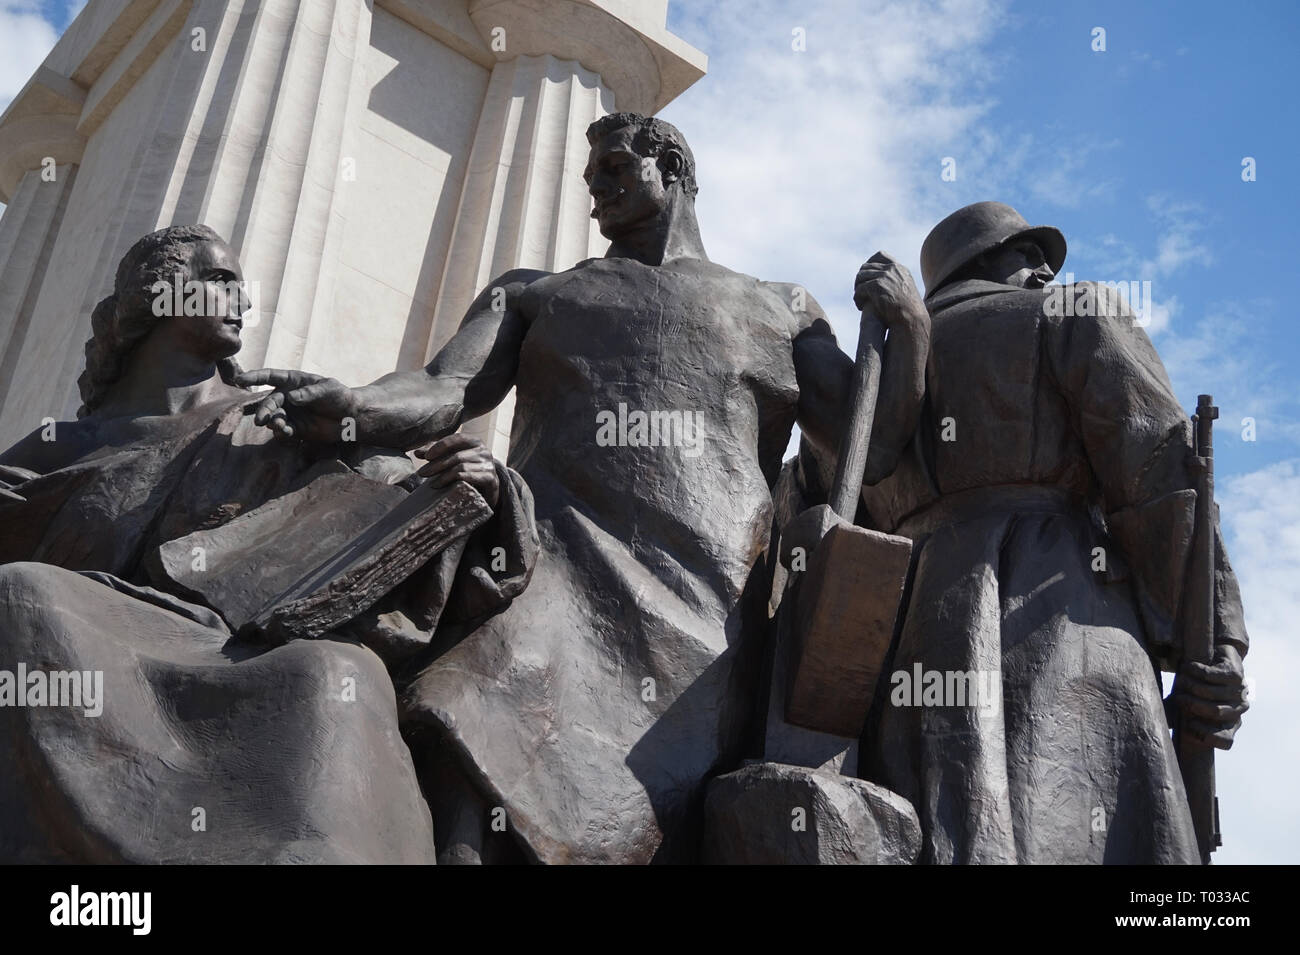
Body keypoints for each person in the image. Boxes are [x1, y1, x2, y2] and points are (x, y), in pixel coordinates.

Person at [236, 112, 932, 863]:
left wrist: (913, 326)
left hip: (705, 608)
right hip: (550, 564)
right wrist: (354, 406)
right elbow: (444, 390)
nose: (595, 190)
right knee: (472, 694)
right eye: (590, 177)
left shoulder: (780, 308)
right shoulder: (535, 297)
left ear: (672, 168)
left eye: (615, 170)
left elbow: (880, 443)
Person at [0, 225, 533, 863]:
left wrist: (472, 483)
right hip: (100, 632)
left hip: (236, 645)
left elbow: (381, 494)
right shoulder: (61, 444)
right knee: (26, 594)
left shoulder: (274, 421)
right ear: (160, 293)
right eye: (221, 280)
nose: (243, 300)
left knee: (333, 671)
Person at [822, 200, 1247, 864]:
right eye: (1024, 252)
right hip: (1066, 629)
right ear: (990, 265)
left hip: (905, 657)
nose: (1045, 267)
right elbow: (1161, 474)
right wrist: (1215, 642)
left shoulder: (870, 376)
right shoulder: (1068, 314)